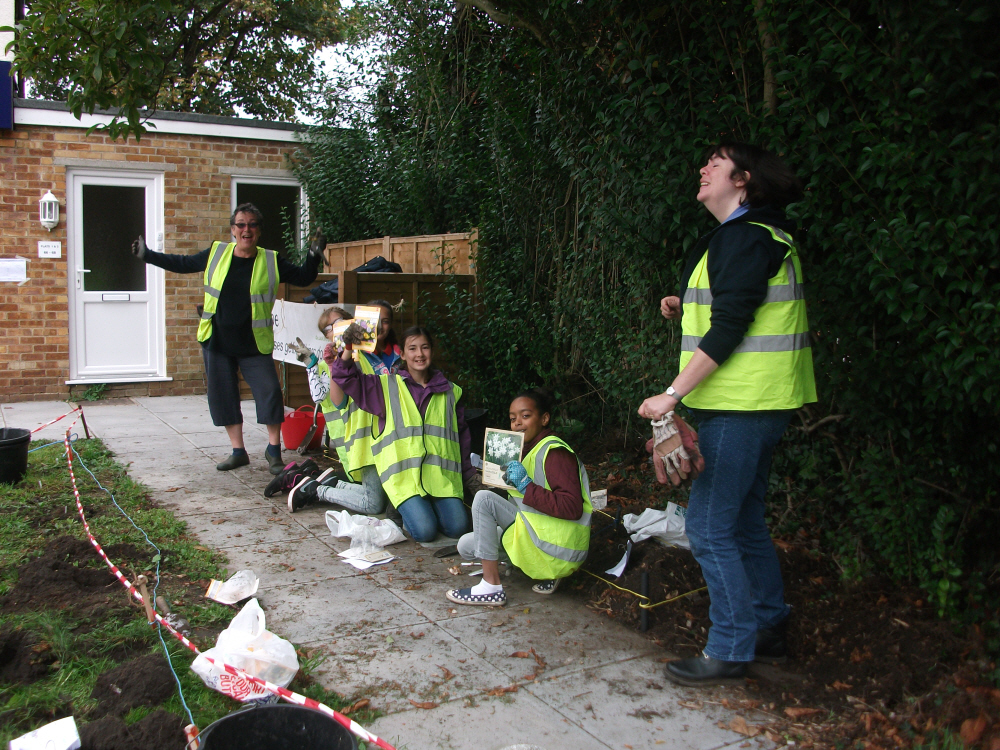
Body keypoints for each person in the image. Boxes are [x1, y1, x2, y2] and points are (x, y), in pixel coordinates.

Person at [637, 142, 815, 686]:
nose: (703, 168)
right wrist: (681, 301)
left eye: (716, 162)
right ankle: (768, 628)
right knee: (743, 520)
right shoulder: (752, 236)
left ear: (744, 180)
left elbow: (732, 324)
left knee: (711, 528)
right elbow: (737, 302)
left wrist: (671, 393)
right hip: (759, 401)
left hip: (741, 404)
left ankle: (731, 646)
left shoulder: (745, 235)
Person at [131, 204, 322, 474]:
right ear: (233, 230)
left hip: (254, 343)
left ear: (259, 231)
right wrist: (148, 256)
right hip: (217, 340)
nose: (247, 229)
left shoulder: (270, 259)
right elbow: (183, 264)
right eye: (241, 224)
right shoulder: (217, 253)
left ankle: (273, 451)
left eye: (252, 224)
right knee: (224, 396)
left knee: (268, 392)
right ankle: (238, 451)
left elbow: (305, 277)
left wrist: (314, 255)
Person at [301, 326, 474, 542]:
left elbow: (462, 438)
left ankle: (425, 508)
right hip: (404, 481)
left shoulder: (450, 391)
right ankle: (402, 507)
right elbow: (346, 378)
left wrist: (469, 476)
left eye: (425, 347)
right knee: (425, 533)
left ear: (432, 351)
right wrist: (348, 348)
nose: (419, 354)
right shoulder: (386, 387)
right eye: (412, 348)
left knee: (458, 527)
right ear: (402, 354)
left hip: (440, 480)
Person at [446, 388, 592, 607]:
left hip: (558, 547)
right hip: (538, 532)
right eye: (513, 419)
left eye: (525, 416)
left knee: (483, 499)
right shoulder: (526, 450)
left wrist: (526, 486)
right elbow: (524, 502)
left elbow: (572, 508)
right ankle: (536, 570)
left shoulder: (554, 452)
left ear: (544, 418)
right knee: (466, 545)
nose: (518, 424)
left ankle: (491, 586)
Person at [285, 306, 391, 515]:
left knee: (380, 495)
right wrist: (316, 366)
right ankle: (317, 490)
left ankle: (334, 483)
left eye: (342, 321)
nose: (338, 327)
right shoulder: (333, 359)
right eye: (331, 327)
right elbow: (326, 398)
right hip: (357, 441)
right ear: (326, 335)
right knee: (374, 503)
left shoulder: (368, 352)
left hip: (381, 436)